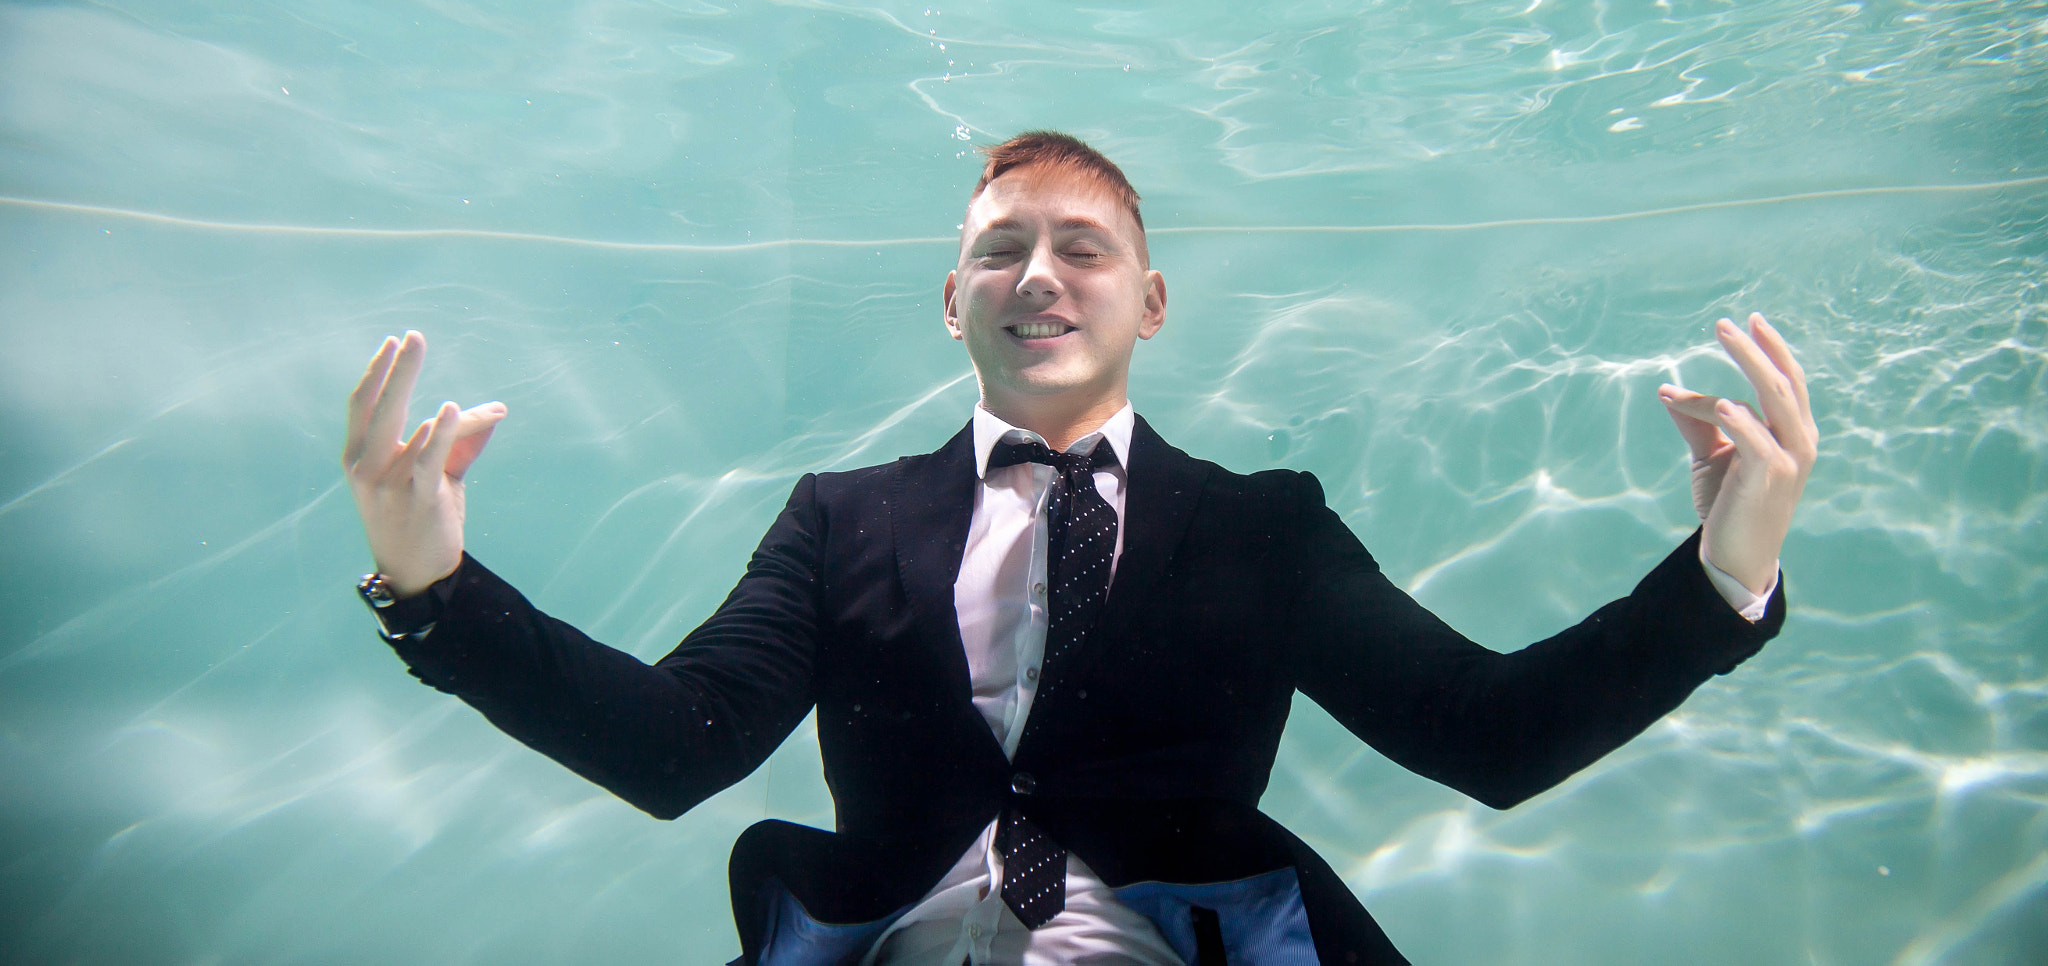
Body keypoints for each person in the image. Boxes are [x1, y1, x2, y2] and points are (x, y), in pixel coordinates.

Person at [342, 132, 1815, 965]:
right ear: (952, 299)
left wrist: (1719, 579)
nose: (1037, 272)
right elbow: (680, 742)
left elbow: (1487, 732)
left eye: (1082, 246)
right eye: (999, 248)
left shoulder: (1262, 525)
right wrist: (438, 596)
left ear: (1153, 300)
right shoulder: (839, 516)